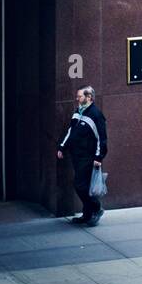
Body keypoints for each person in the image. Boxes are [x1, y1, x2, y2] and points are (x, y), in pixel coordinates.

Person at [56, 85, 108, 225]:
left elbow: (101, 138)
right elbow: (70, 132)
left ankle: (96, 208)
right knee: (82, 185)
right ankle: (87, 215)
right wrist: (62, 147)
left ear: (89, 97)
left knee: (80, 185)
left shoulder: (96, 114)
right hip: (76, 155)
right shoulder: (78, 112)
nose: (77, 98)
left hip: (88, 157)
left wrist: (98, 157)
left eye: (80, 96)